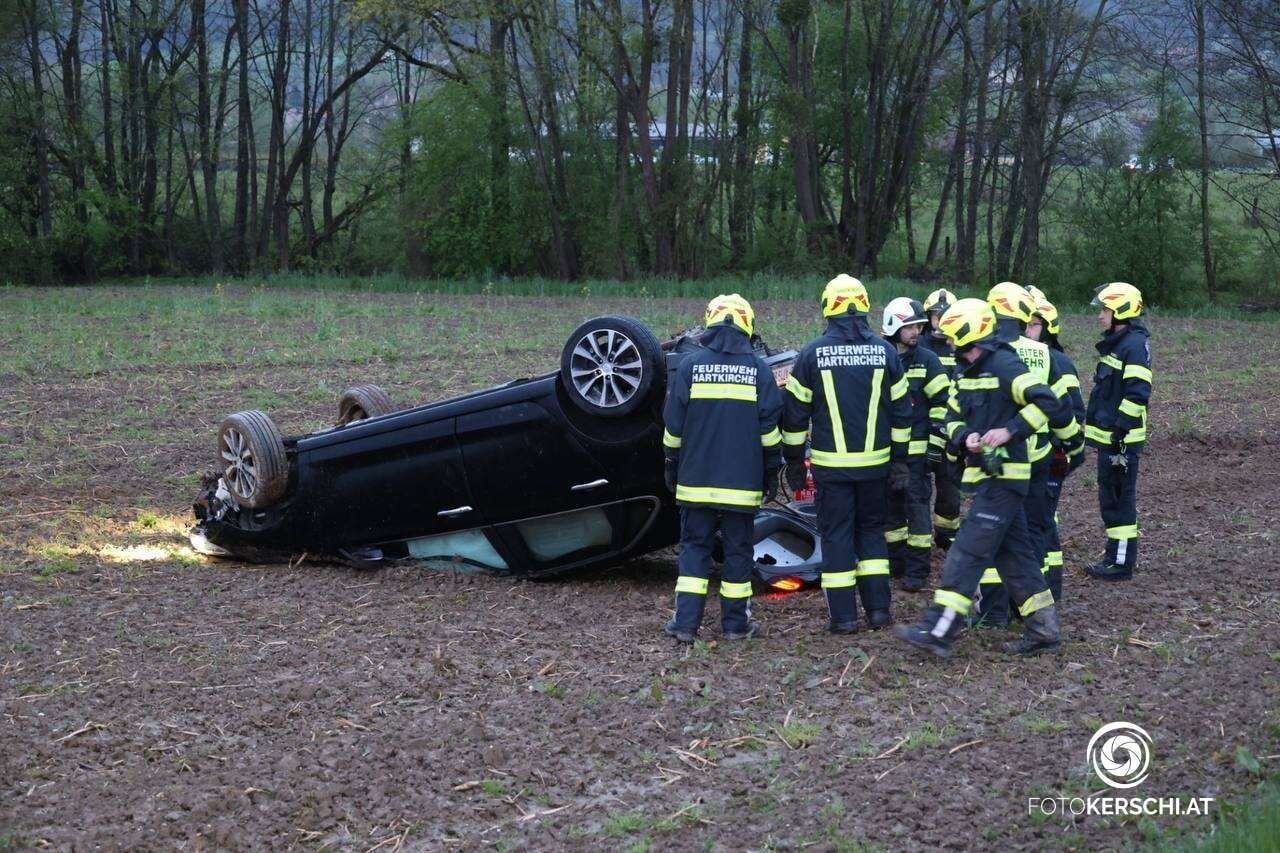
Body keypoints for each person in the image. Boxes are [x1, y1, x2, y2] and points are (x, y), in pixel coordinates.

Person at [895, 298, 1070, 657]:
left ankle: (939, 629)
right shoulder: (966, 371)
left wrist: (1010, 431)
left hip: (1007, 478)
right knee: (1016, 557)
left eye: (955, 339)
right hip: (987, 477)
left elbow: (1048, 402)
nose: (951, 345)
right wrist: (965, 437)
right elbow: (952, 416)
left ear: (970, 335)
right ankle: (1045, 631)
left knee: (966, 552)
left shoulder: (1004, 364)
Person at [781, 275, 912, 633]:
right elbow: (902, 411)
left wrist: (793, 460)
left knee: (837, 536)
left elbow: (795, 416)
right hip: (876, 466)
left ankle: (844, 618)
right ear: (865, 306)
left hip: (831, 468)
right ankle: (879, 613)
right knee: (872, 534)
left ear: (828, 308)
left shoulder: (812, 354)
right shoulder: (885, 352)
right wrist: (900, 459)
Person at [662, 294, 783, 642]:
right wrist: (771, 471)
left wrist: (671, 463)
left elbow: (673, 427)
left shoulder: (690, 366)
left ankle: (685, 625)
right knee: (738, 553)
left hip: (696, 481)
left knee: (694, 551)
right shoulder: (759, 370)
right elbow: (769, 431)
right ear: (748, 326)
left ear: (710, 325)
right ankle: (735, 625)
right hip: (741, 485)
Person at [972, 283, 1082, 627]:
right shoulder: (1048, 356)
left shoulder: (985, 354)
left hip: (995, 462)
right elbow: (1063, 410)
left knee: (992, 533)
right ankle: (1031, 612)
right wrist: (1073, 449)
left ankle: (993, 613)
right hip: (1037, 461)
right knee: (1033, 536)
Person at [881, 297, 951, 592]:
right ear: (893, 325)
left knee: (918, 511)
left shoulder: (927, 360)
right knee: (890, 513)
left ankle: (917, 572)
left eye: (920, 326)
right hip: (885, 455)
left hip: (916, 456)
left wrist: (934, 446)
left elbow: (941, 405)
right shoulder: (881, 358)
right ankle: (895, 564)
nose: (918, 332)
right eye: (911, 327)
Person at [1083, 282, 1152, 581]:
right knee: (1111, 499)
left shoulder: (1133, 346)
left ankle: (1120, 564)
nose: (1100, 316)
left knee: (1119, 501)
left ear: (1120, 311)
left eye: (1105, 310)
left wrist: (1120, 431)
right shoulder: (1120, 343)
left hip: (1121, 442)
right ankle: (1115, 557)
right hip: (1112, 439)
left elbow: (1138, 393)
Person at [1026, 294, 1086, 601]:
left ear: (1048, 328)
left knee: (1044, 523)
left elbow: (1074, 413)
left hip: (1051, 457)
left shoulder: (1058, 363)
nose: (1027, 330)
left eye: (1033, 325)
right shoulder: (1023, 358)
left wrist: (1061, 453)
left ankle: (1050, 590)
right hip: (1034, 458)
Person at [918, 288, 961, 547]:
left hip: (953, 427)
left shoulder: (960, 345)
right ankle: (919, 533)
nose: (940, 319)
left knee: (950, 487)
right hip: (923, 428)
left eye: (946, 315)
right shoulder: (919, 345)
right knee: (919, 488)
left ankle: (946, 535)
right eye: (936, 315)